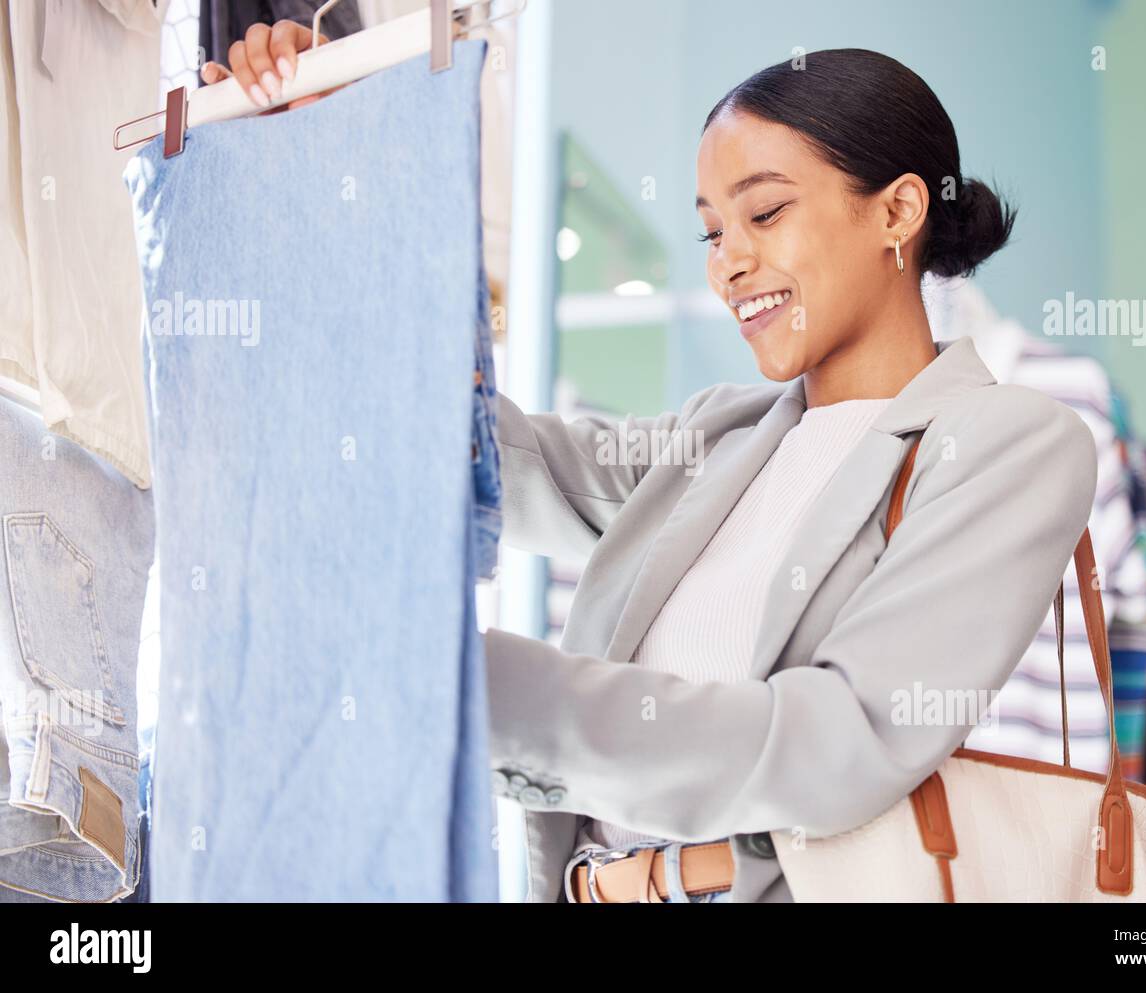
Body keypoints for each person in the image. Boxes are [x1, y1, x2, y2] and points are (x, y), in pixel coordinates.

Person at [203, 30, 1098, 903]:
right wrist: (329, 171)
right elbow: (467, 452)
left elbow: (839, 742)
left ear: (898, 211)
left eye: (765, 212)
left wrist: (470, 683)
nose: (729, 263)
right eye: (711, 232)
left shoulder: (1007, 442)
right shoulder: (720, 435)